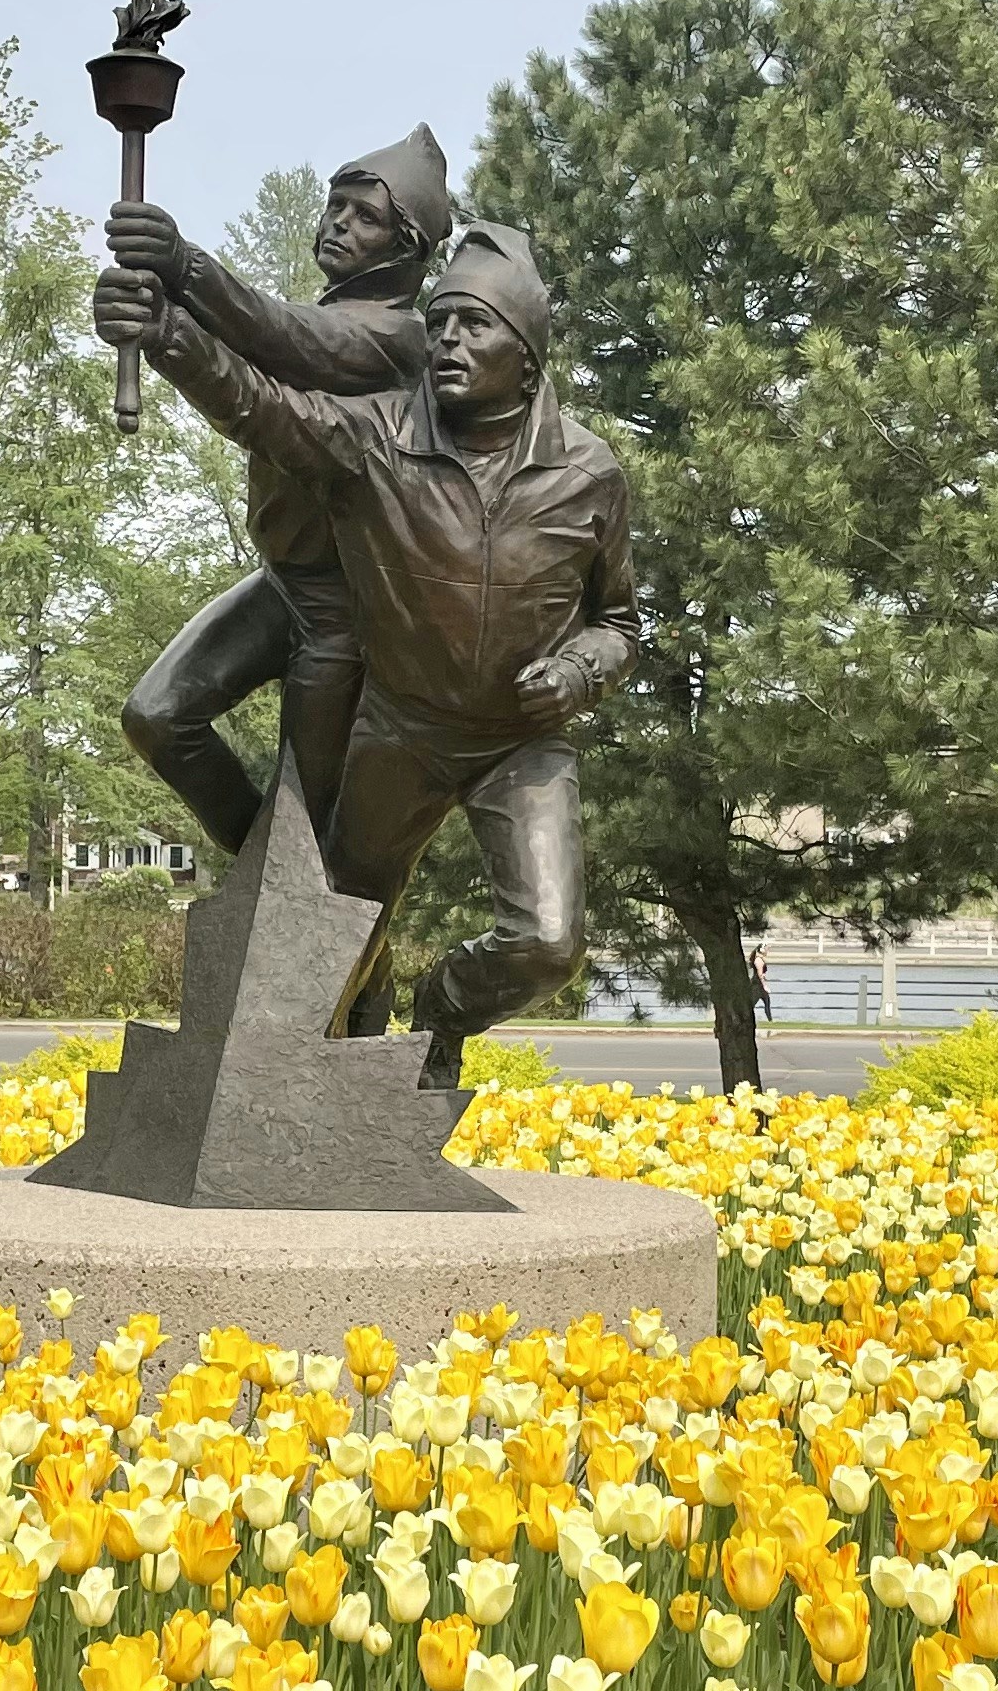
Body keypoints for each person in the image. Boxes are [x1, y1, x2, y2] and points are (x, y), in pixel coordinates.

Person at [98, 220, 636, 1087]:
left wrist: (580, 671)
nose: (450, 340)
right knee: (327, 944)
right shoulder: (377, 438)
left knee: (547, 943)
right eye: (443, 322)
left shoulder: (590, 474)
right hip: (400, 734)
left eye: (477, 325)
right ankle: (323, 1102)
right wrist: (167, 335)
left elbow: (621, 624)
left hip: (519, 745)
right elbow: (264, 406)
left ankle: (443, 1013)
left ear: (528, 357)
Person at [105, 129, 453, 860]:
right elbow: (267, 345)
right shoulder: (335, 321)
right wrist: (154, 309)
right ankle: (271, 871)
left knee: (306, 832)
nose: (338, 222)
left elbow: (284, 342)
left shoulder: (401, 339)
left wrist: (179, 279)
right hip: (281, 585)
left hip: (346, 616)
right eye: (336, 206)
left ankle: (299, 893)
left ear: (407, 246)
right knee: (158, 717)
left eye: (365, 216)